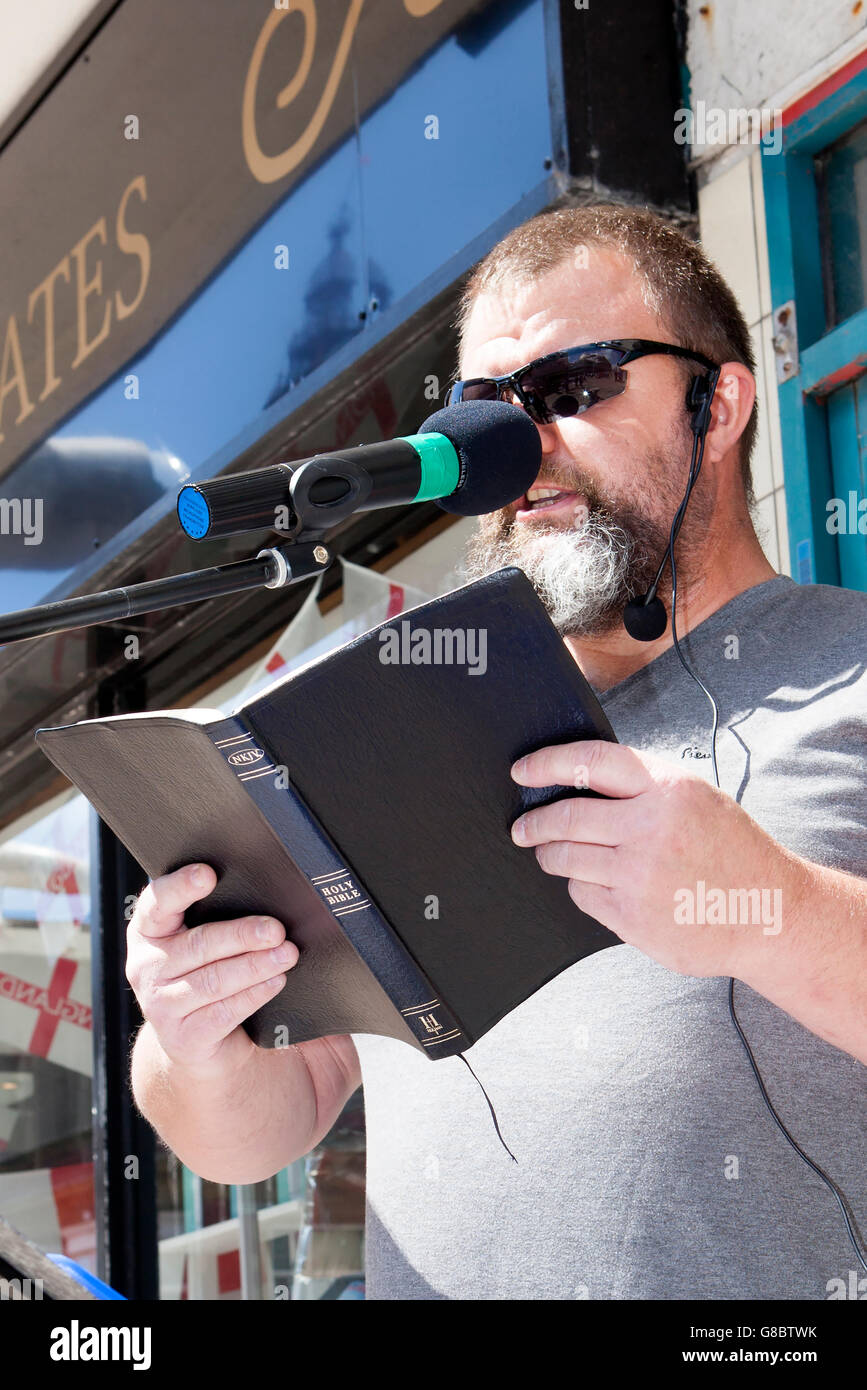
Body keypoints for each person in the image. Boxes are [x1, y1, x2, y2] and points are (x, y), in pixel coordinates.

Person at [127, 203, 867, 1300]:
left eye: (572, 390)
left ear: (719, 405)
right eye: (486, 414)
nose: (519, 451)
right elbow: (250, 1136)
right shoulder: (401, 724)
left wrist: (771, 908)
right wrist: (194, 1036)